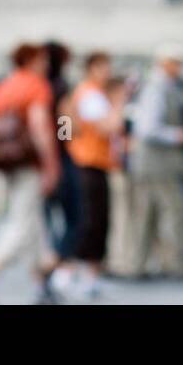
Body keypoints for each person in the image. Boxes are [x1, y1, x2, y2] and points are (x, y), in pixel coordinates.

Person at [0, 44, 62, 303]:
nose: (46, 65)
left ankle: (41, 281)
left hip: (6, 165)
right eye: (42, 60)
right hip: (28, 164)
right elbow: (40, 128)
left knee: (32, 222)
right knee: (21, 223)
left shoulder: (3, 88)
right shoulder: (36, 86)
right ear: (31, 60)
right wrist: (50, 164)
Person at [125, 46, 183, 278]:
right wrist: (178, 135)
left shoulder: (159, 88)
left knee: (147, 215)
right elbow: (147, 129)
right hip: (157, 165)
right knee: (172, 213)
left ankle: (138, 265)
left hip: (150, 165)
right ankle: (174, 264)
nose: (180, 69)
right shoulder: (157, 89)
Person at [65, 52, 126, 300]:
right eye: (104, 67)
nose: (108, 73)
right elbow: (109, 126)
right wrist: (120, 102)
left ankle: (88, 277)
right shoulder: (91, 94)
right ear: (91, 68)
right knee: (92, 223)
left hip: (93, 164)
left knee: (97, 222)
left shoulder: (87, 93)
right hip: (89, 164)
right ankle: (69, 273)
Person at [42, 41, 83, 266]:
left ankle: (51, 265)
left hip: (40, 161)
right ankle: (54, 262)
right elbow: (67, 126)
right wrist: (67, 133)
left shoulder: (39, 85)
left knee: (45, 221)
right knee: (74, 219)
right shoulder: (60, 87)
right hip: (60, 159)